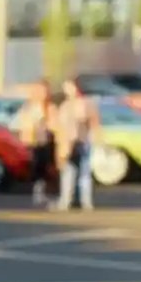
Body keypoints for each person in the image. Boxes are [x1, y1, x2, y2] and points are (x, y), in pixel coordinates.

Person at [53, 80, 100, 211]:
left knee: (84, 173)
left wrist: (94, 137)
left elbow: (93, 121)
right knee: (68, 172)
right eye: (65, 88)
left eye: (69, 87)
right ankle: (65, 201)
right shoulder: (65, 106)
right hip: (67, 143)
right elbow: (60, 127)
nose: (67, 90)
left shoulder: (84, 103)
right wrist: (60, 144)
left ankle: (86, 202)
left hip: (81, 142)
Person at [15, 81, 57, 207]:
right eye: (40, 91)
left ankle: (43, 192)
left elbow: (55, 124)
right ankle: (37, 193)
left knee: (45, 168)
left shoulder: (50, 107)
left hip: (46, 142)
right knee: (36, 167)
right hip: (34, 142)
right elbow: (23, 124)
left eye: (44, 91)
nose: (42, 94)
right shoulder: (29, 107)